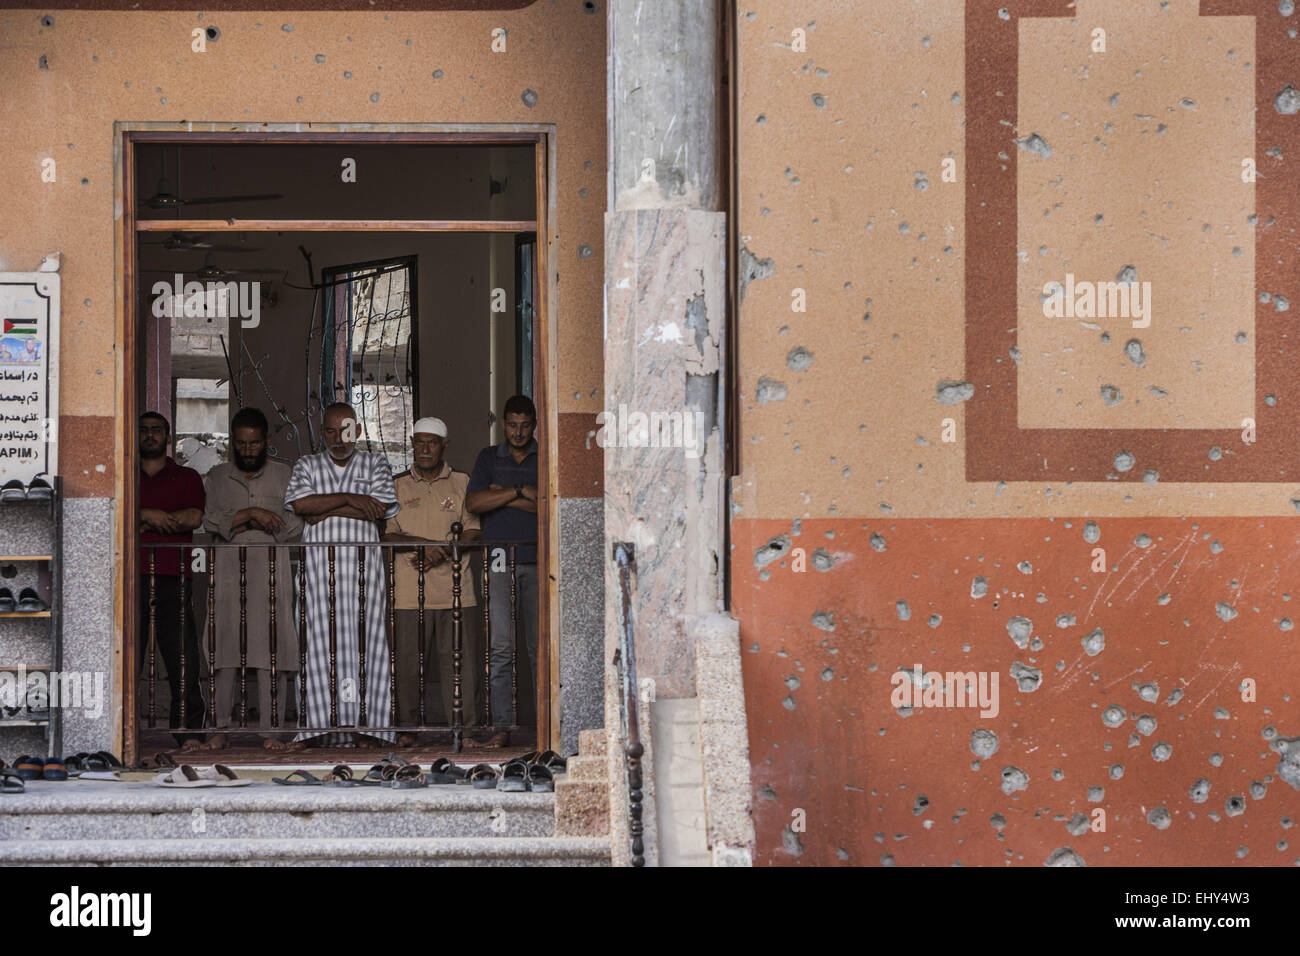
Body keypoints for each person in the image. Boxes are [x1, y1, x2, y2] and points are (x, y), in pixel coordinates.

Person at [284, 402, 399, 748]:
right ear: (323, 433)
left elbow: (378, 509)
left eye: (346, 431)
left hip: (363, 577)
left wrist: (324, 508)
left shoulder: (376, 463)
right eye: (331, 431)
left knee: (368, 644)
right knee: (316, 645)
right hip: (319, 576)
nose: (339, 439)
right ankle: (316, 728)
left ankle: (368, 728)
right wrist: (351, 498)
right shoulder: (307, 464)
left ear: (358, 431)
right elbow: (301, 505)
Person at [201, 407, 302, 751]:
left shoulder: (284, 475)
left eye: (254, 443)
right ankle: (219, 728)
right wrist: (251, 514)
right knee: (223, 648)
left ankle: (271, 731)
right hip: (228, 575)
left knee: (273, 649)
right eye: (241, 444)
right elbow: (209, 520)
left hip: (272, 574)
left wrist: (241, 521)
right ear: (233, 441)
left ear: (266, 440)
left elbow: (294, 524)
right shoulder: (217, 476)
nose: (247, 450)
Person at [381, 417, 484, 746]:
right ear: (412, 444)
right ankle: (407, 731)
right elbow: (388, 536)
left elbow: (473, 531)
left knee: (462, 667)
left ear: (445, 446)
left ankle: (466, 731)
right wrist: (425, 545)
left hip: (456, 591)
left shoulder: (462, 482)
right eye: (419, 442)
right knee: (407, 667)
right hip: (408, 593)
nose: (425, 449)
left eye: (432, 442)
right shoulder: (397, 485)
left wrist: (442, 551)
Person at [465, 394, 539, 748]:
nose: (518, 432)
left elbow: (550, 504)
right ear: (503, 424)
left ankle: (546, 727)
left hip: (538, 560)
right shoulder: (488, 457)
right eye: (512, 425)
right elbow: (474, 503)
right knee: (500, 648)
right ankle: (501, 727)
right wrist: (522, 492)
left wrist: (504, 494)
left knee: (540, 648)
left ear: (534, 425)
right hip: (498, 559)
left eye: (524, 425)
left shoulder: (546, 456)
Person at [138, 411, 206, 749]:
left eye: (156, 430)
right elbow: (117, 514)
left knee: (182, 657)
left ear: (167, 437)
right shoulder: (124, 474)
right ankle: (118, 729)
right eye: (143, 430)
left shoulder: (186, 476)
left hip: (172, 575)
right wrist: (146, 514)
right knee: (127, 656)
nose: (150, 435)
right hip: (130, 577)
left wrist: (145, 520)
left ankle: (189, 732)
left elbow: (193, 517)